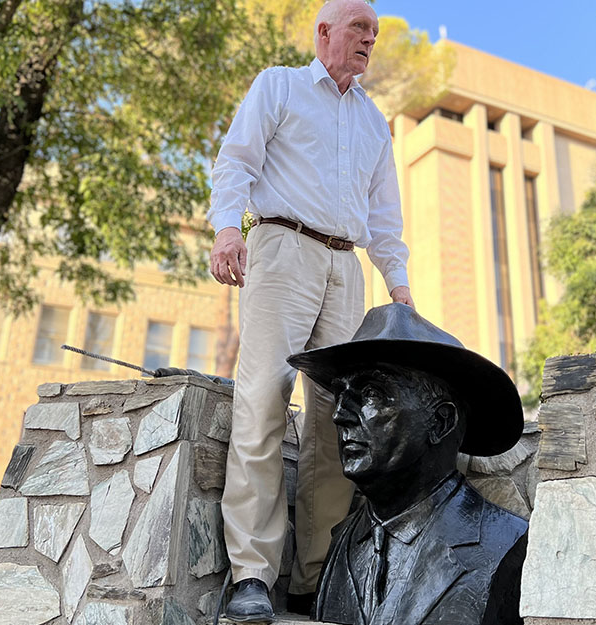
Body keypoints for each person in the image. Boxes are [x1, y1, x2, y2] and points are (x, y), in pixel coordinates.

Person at [206, 0, 413, 621]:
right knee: (264, 399)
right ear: (324, 32)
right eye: (358, 29)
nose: (368, 41)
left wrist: (398, 286)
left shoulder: (376, 122)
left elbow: (384, 219)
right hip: (282, 248)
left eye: (374, 33)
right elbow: (235, 162)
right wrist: (227, 231)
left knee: (339, 423)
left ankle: (315, 577)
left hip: (345, 267)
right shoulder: (280, 86)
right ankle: (251, 575)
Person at [288, 303, 529, 625]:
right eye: (339, 395)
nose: (339, 415)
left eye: (371, 393)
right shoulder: (342, 540)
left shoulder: (506, 541)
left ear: (441, 422)